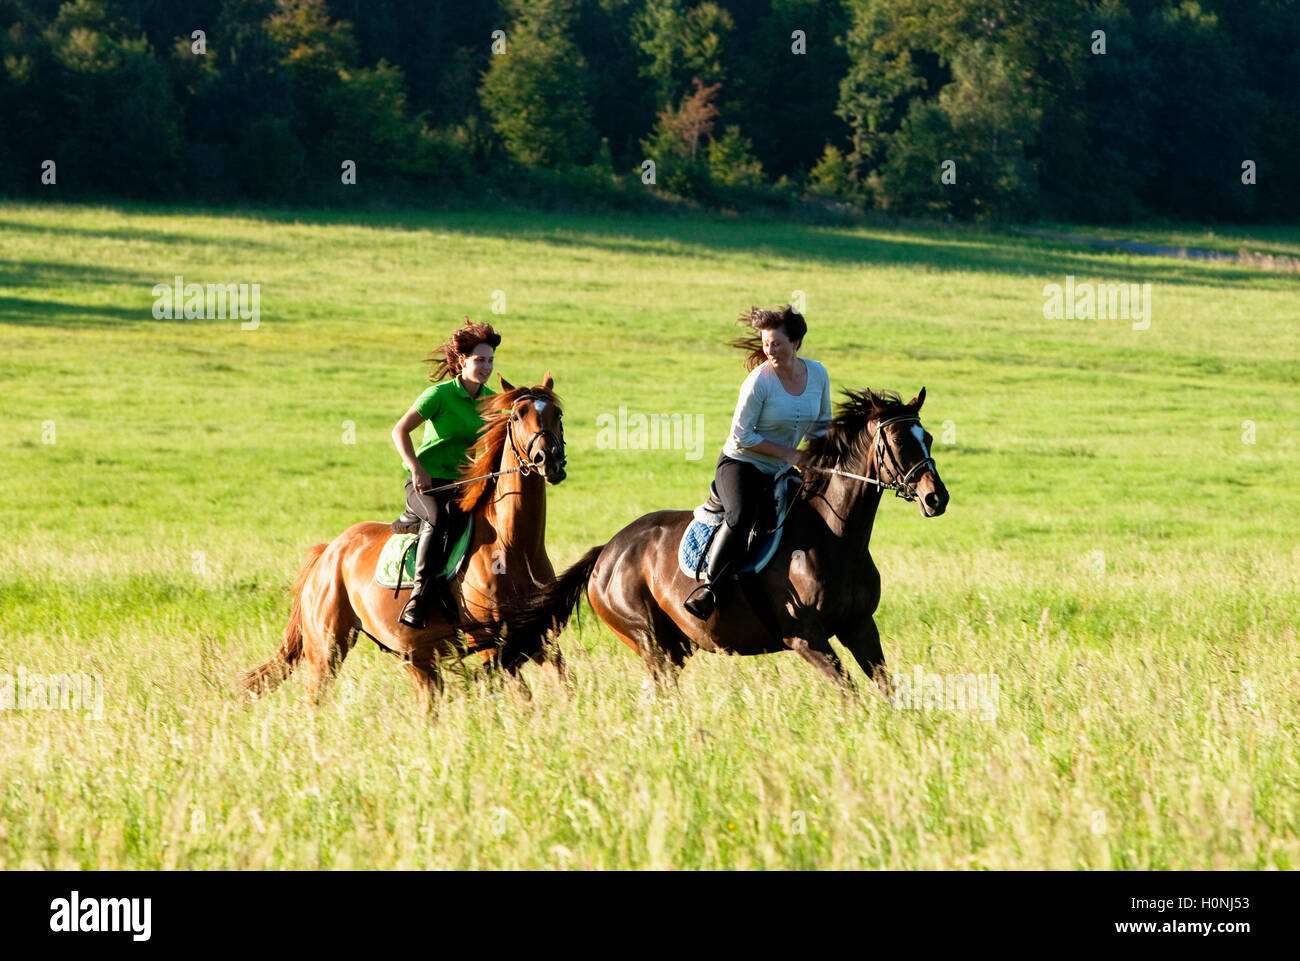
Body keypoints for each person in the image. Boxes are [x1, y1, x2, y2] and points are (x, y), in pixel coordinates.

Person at [684, 305, 832, 620]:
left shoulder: (818, 373)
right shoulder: (758, 382)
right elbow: (741, 437)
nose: (769, 350)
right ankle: (711, 588)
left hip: (779, 470)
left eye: (776, 343)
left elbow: (821, 425)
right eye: (765, 344)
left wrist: (826, 456)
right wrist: (792, 455)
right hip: (740, 464)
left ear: (795, 343)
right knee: (740, 516)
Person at [391, 318, 500, 629]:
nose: (486, 367)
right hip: (426, 484)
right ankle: (420, 596)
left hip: (463, 484)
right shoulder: (438, 395)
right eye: (480, 360)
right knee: (439, 519)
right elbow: (400, 431)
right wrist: (416, 468)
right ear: (463, 361)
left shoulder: (490, 400)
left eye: (490, 361)